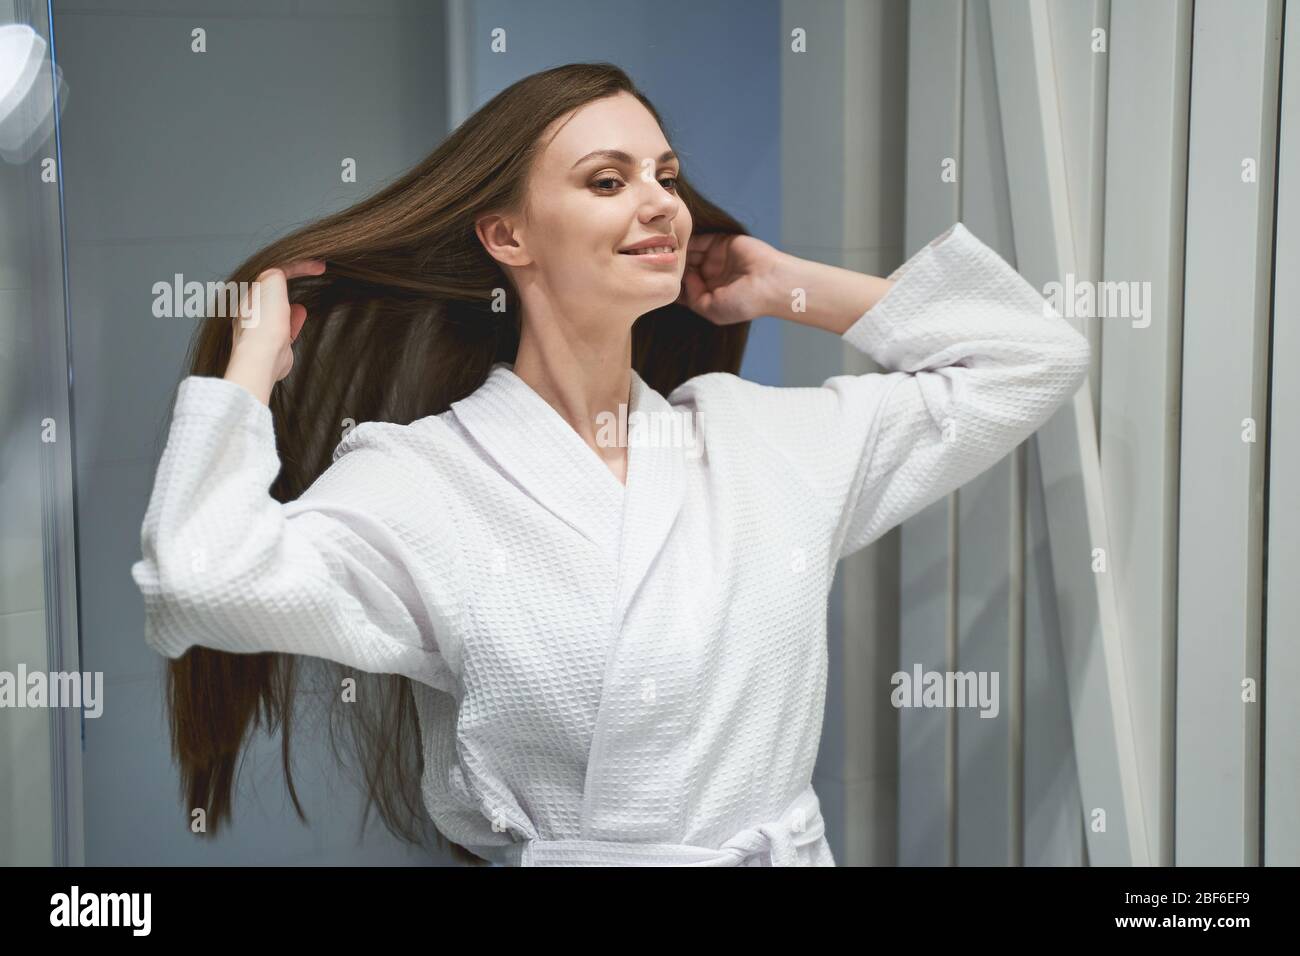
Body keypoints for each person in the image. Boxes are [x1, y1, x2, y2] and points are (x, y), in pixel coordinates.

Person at [131, 62, 1089, 866]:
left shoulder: (762, 442)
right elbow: (200, 576)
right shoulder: (423, 481)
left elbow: (1030, 358)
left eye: (665, 176)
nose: (660, 204)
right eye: (607, 180)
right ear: (507, 236)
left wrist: (783, 285)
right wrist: (247, 369)